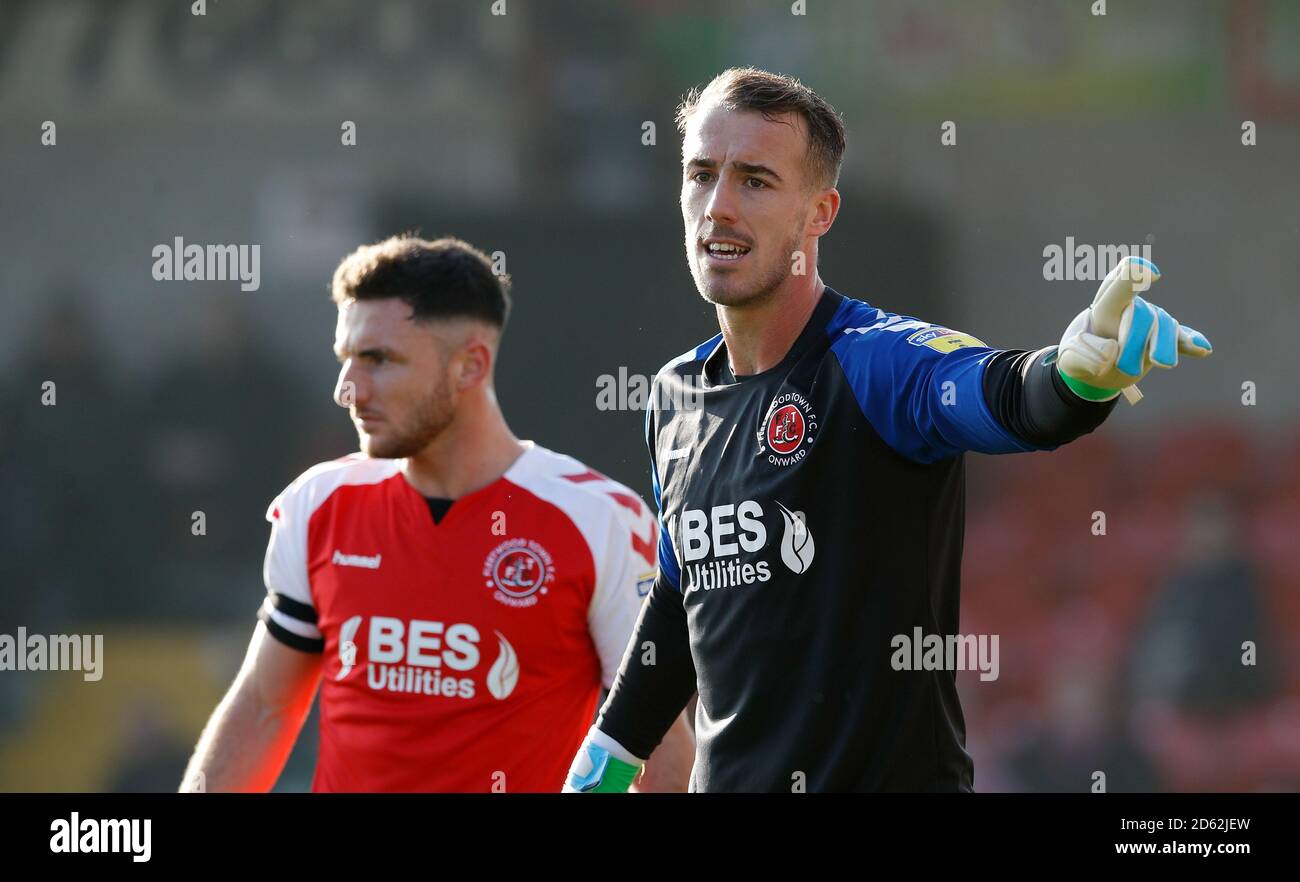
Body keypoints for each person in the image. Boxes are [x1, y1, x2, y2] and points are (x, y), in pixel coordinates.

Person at [564, 68, 1212, 792]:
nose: (718, 206)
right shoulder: (674, 395)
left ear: (820, 213)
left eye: (755, 181)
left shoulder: (875, 361)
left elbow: (999, 395)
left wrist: (1072, 378)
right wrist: (610, 754)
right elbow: (687, 593)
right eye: (701, 174)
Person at [182, 235, 693, 792]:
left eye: (378, 360)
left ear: (470, 366)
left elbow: (658, 743)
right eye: (345, 360)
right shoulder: (318, 504)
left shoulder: (599, 520)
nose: (346, 389)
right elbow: (263, 708)